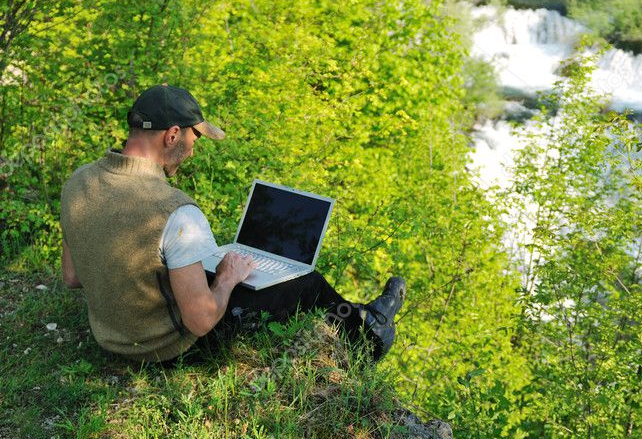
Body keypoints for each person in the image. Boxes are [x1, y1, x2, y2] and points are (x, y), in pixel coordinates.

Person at [59, 84, 405, 364]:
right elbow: (200, 322)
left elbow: (72, 276)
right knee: (306, 283)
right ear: (173, 135)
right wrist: (225, 279)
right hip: (162, 348)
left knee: (217, 271)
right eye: (194, 140)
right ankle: (369, 340)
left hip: (109, 338)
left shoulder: (78, 182)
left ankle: (363, 316)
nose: (192, 151)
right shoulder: (175, 211)